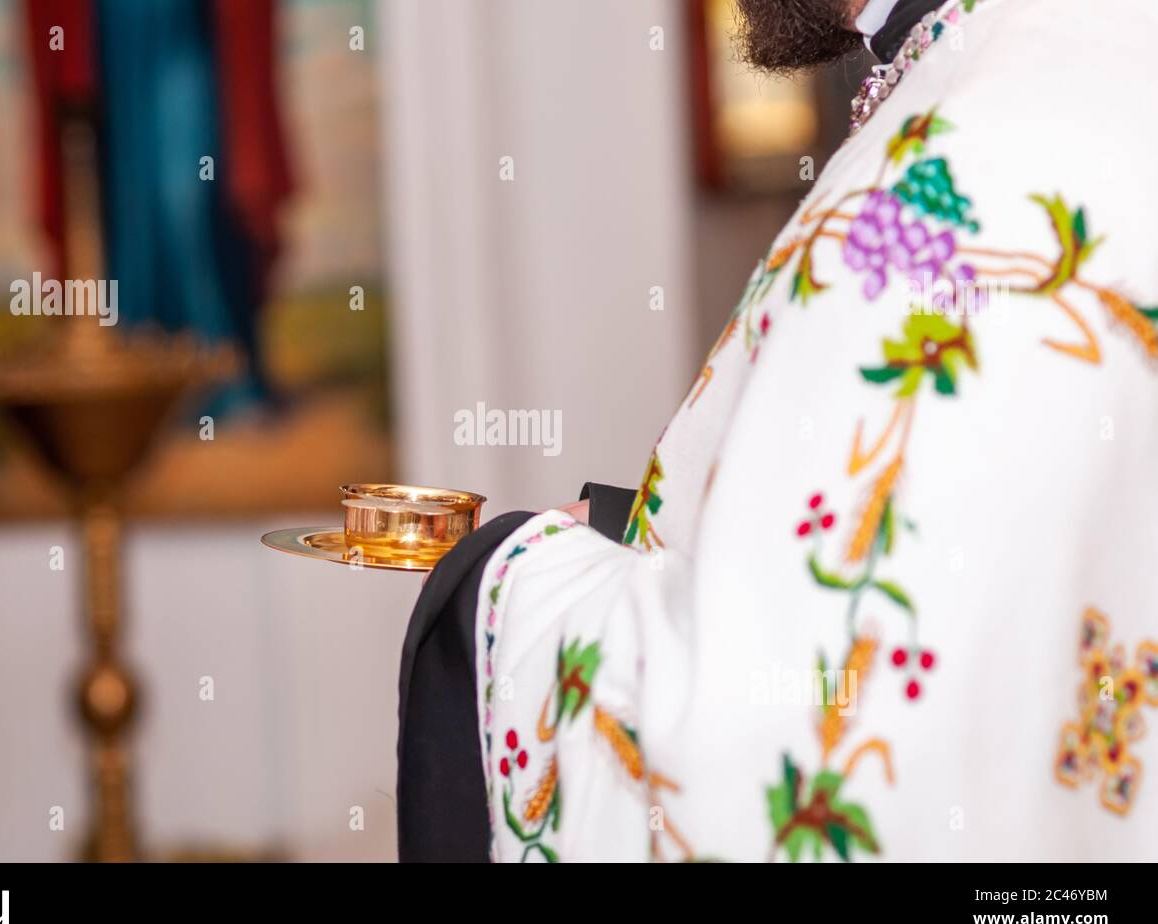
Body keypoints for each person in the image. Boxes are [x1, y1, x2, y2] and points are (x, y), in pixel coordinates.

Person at [399, 0, 1158, 862]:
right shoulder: (1094, 54)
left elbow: (788, 753)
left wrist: (504, 576)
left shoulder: (958, 171)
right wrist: (641, 531)